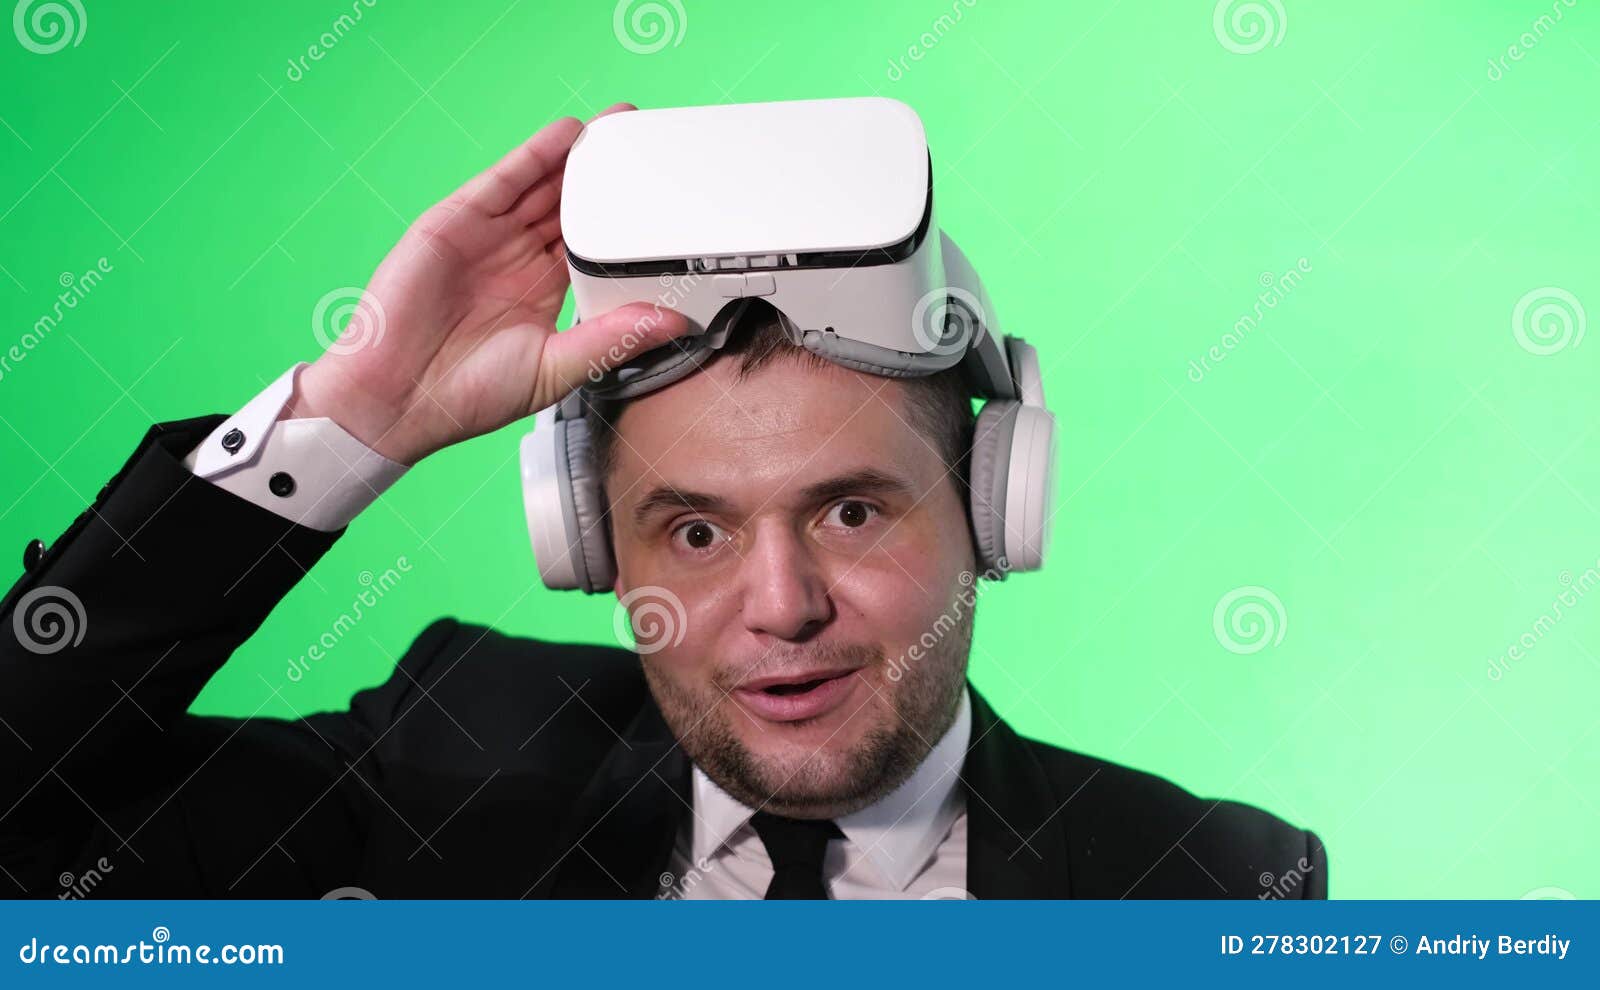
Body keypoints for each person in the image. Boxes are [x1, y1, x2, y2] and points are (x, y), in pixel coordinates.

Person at [0, 104, 1326, 900]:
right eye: (694, 530)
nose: (781, 607)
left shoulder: (1208, 882)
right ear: (589, 541)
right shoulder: (452, 757)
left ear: (994, 506)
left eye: (852, 512)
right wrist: (352, 426)